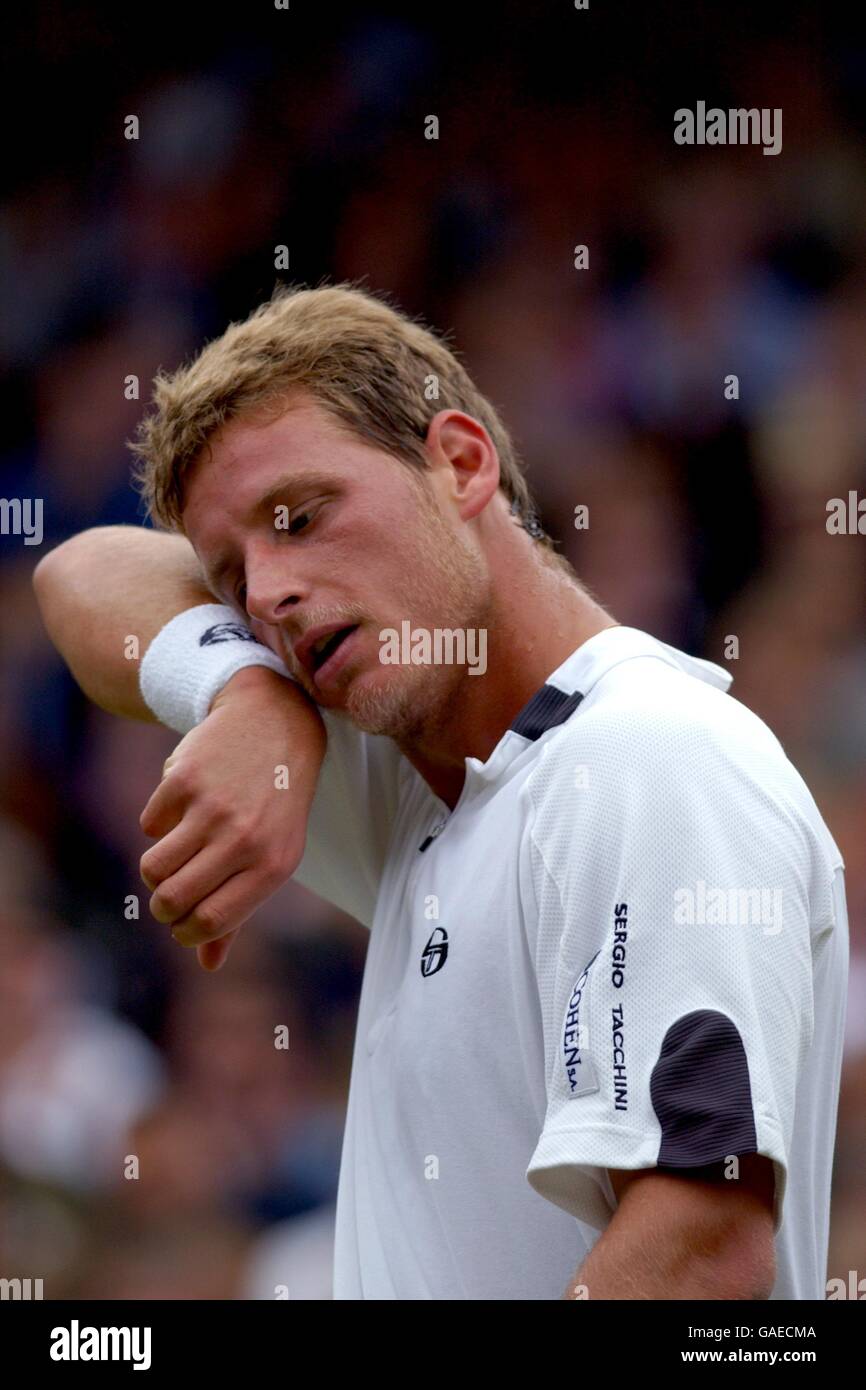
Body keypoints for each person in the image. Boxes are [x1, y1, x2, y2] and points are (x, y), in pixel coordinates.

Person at [33, 283, 849, 1300]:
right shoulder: (427, 780)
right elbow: (80, 574)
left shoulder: (649, 754)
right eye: (233, 578)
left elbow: (701, 1247)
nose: (269, 594)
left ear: (461, 464)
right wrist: (242, 690)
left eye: (300, 516)